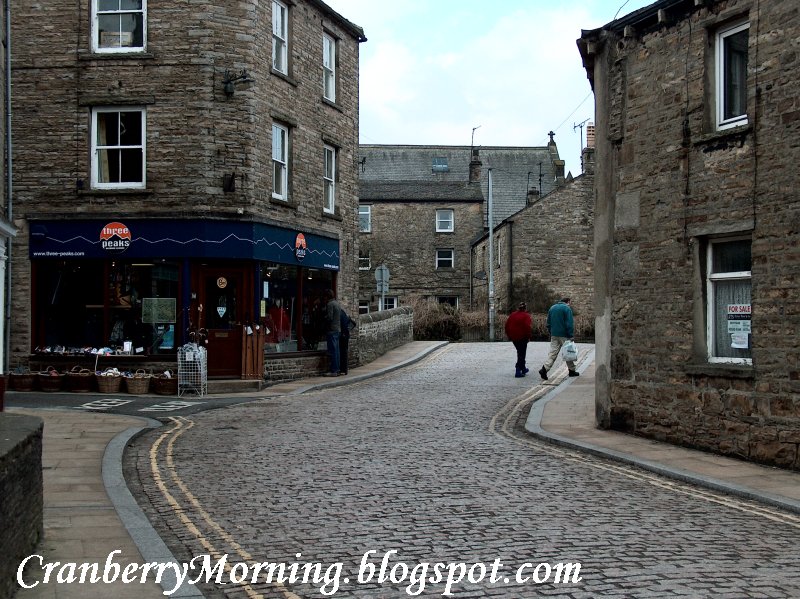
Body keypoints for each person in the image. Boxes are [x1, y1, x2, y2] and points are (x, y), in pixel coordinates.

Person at [539, 297, 578, 380]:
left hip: (554, 334)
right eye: (570, 302)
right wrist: (570, 335)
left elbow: (548, 323)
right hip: (564, 335)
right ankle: (571, 370)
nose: (570, 304)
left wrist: (551, 331)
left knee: (552, 353)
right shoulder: (567, 309)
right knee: (568, 352)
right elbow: (569, 323)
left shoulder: (552, 308)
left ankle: (544, 369)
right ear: (567, 302)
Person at [504, 302, 532, 377]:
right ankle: (518, 369)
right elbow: (527, 327)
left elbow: (507, 325)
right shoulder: (526, 316)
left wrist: (509, 335)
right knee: (522, 353)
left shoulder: (512, 315)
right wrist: (528, 336)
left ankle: (523, 368)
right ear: (525, 308)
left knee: (520, 352)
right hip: (522, 337)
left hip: (514, 337)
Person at [323, 289, 342, 376]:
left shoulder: (330, 304)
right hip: (337, 329)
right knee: (336, 351)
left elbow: (330, 317)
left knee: (333, 351)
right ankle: (337, 369)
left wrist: (323, 317)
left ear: (327, 296)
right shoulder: (337, 303)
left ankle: (333, 370)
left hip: (332, 330)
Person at [339, 307, 356, 375]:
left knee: (343, 352)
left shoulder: (340, 313)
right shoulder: (343, 313)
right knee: (344, 352)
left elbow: (344, 325)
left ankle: (343, 369)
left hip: (344, 335)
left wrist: (343, 334)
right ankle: (344, 369)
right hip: (345, 335)